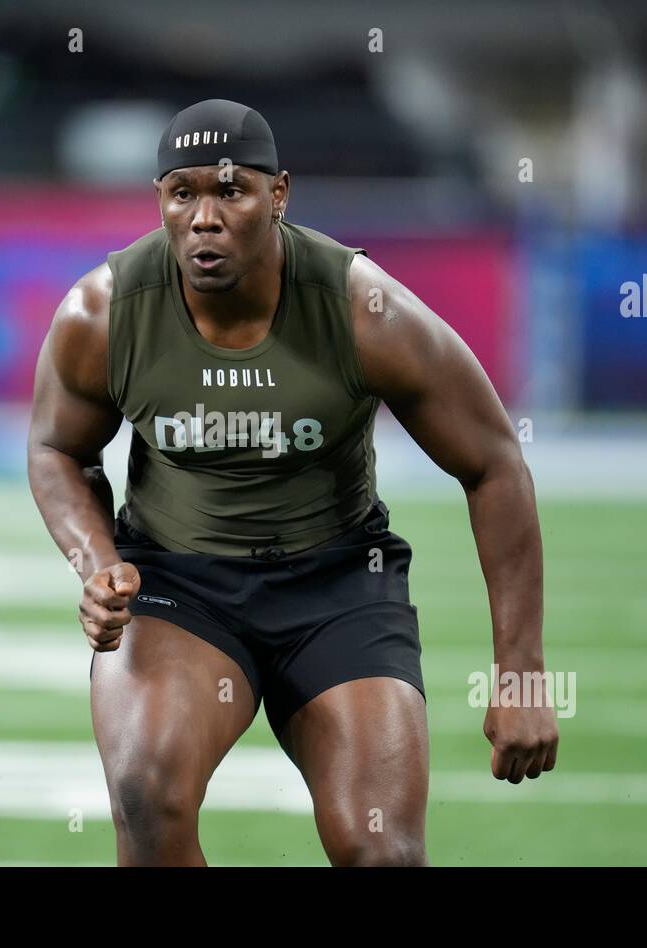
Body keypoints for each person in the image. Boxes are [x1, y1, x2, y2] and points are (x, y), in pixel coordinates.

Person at [27, 99, 556, 866]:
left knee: (383, 853)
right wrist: (96, 561)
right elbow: (57, 451)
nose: (204, 217)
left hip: (337, 585)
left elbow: (495, 464)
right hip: (180, 586)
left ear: (278, 195)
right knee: (146, 795)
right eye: (184, 194)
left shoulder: (365, 311)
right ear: (160, 202)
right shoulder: (102, 312)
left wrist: (522, 674)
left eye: (230, 190)